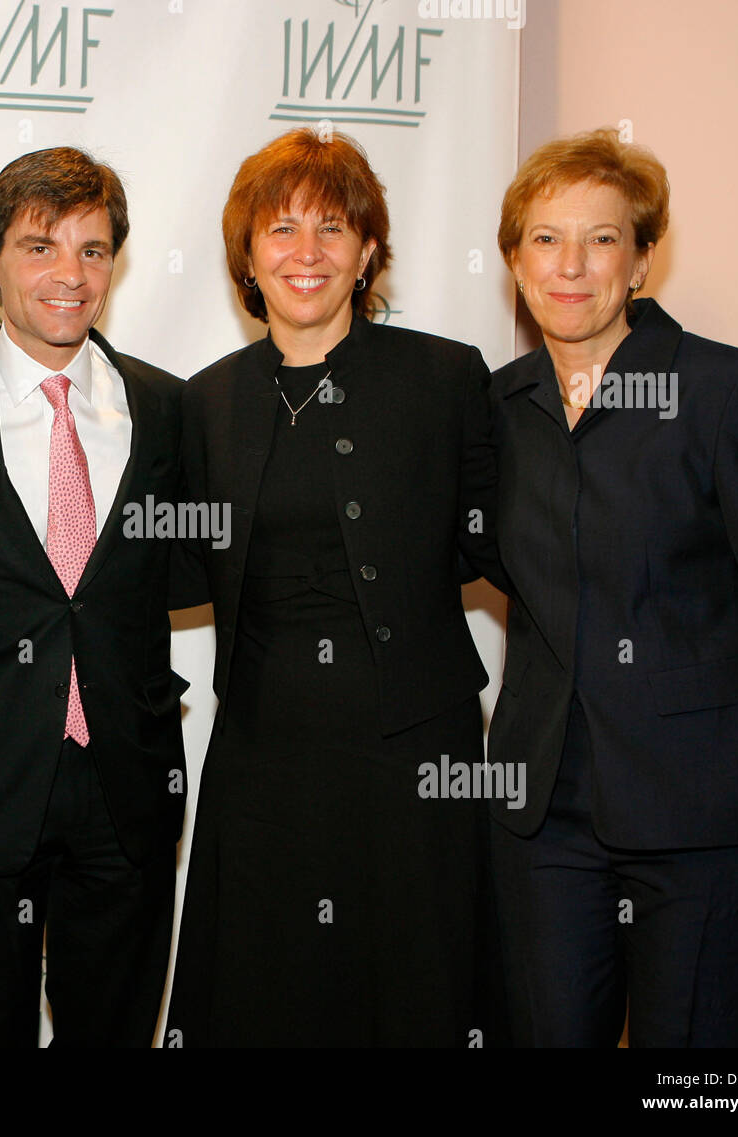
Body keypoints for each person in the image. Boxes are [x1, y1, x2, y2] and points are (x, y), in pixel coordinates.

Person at [166, 127, 507, 1047]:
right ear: (247, 253)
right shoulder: (206, 400)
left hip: (413, 762)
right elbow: (173, 564)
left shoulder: (445, 377)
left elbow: (507, 543)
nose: (305, 252)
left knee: (416, 992)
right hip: (264, 764)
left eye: (331, 228)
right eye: (279, 230)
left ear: (367, 252)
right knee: (268, 996)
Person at [488, 127, 738, 1047]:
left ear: (641, 259)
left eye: (601, 239)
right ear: (515, 259)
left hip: (709, 822)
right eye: (545, 239)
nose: (570, 265)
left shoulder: (726, 391)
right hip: (542, 825)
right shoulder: (495, 409)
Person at [0, 147, 195, 1048]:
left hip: (127, 790)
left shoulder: (169, 412)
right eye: (40, 246)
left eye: (93, 251)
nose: (69, 274)